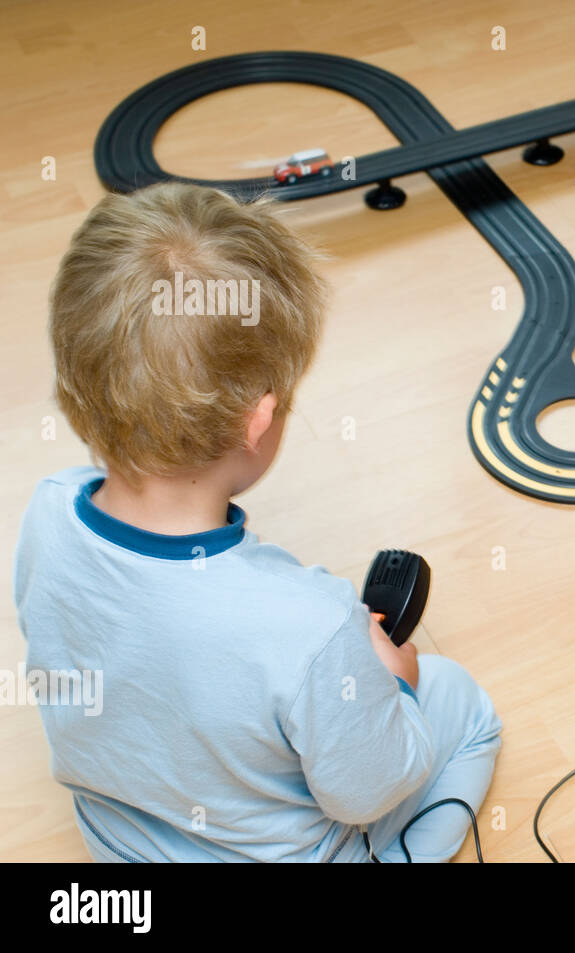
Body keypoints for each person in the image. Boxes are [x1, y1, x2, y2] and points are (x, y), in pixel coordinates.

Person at [15, 182, 501, 862]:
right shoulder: (309, 620)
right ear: (260, 419)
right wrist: (393, 680)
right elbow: (365, 790)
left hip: (120, 838)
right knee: (463, 703)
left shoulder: (45, 511)